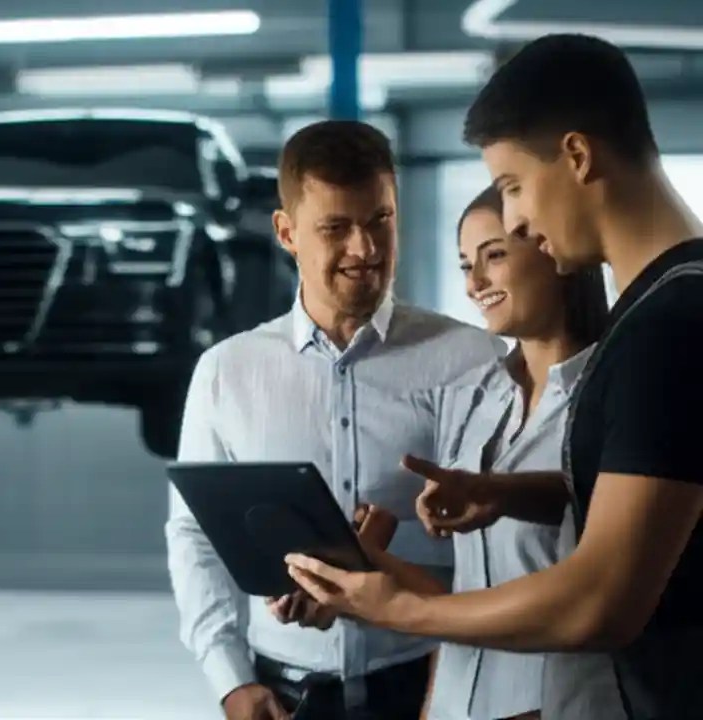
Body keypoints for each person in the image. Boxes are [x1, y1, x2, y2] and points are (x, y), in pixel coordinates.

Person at [280, 33, 703, 720]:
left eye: (512, 186)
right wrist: (513, 493)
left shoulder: (667, 326)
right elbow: (664, 493)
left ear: (576, 155)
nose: (517, 219)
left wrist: (408, 611)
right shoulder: (668, 305)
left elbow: (601, 602)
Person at [166, 119, 504, 720]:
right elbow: (194, 536)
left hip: (434, 688)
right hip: (284, 695)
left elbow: (501, 549)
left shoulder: (472, 359)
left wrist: (368, 564)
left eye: (380, 221)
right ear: (286, 232)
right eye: (336, 228)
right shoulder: (225, 372)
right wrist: (230, 679)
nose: (365, 249)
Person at [276, 185, 622, 720]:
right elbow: (461, 596)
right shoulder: (476, 399)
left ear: (553, 249)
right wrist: (359, 569)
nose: (474, 283)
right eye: (465, 264)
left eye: (495, 256)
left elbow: (611, 601)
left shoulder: (615, 396)